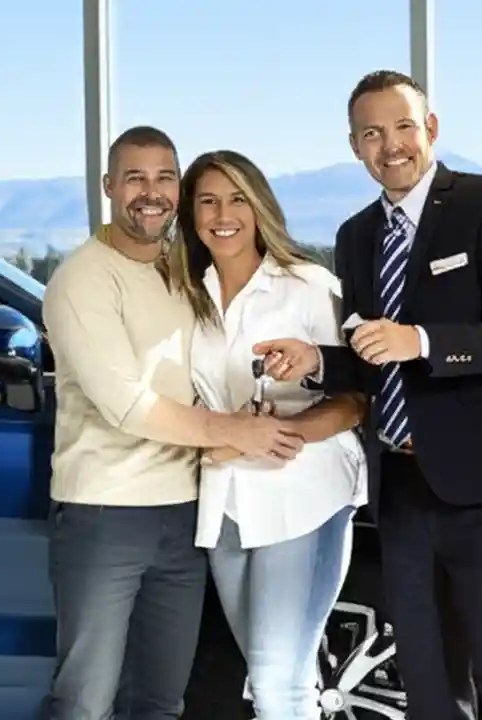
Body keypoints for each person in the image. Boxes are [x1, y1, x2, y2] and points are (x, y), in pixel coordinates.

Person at [253, 70, 482, 720]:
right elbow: (372, 360)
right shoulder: (354, 236)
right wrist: (315, 363)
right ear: (355, 146)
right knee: (429, 685)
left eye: (402, 128)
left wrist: (420, 340)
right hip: (401, 492)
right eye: (371, 134)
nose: (390, 146)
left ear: (431, 130)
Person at [40, 125, 307, 720]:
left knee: (160, 701)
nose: (151, 191)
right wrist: (233, 431)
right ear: (109, 186)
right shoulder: (82, 280)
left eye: (165, 177)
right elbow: (126, 405)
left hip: (185, 514)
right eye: (135, 177)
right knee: (84, 699)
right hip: (105, 514)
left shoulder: (181, 273)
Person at [174, 149, 369, 719]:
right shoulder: (186, 297)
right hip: (225, 500)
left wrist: (287, 431)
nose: (222, 213)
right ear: (191, 214)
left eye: (237, 198)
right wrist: (233, 440)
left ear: (260, 208)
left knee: (276, 678)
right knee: (272, 676)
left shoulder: (308, 285)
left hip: (301, 495)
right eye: (207, 201)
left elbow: (356, 397)